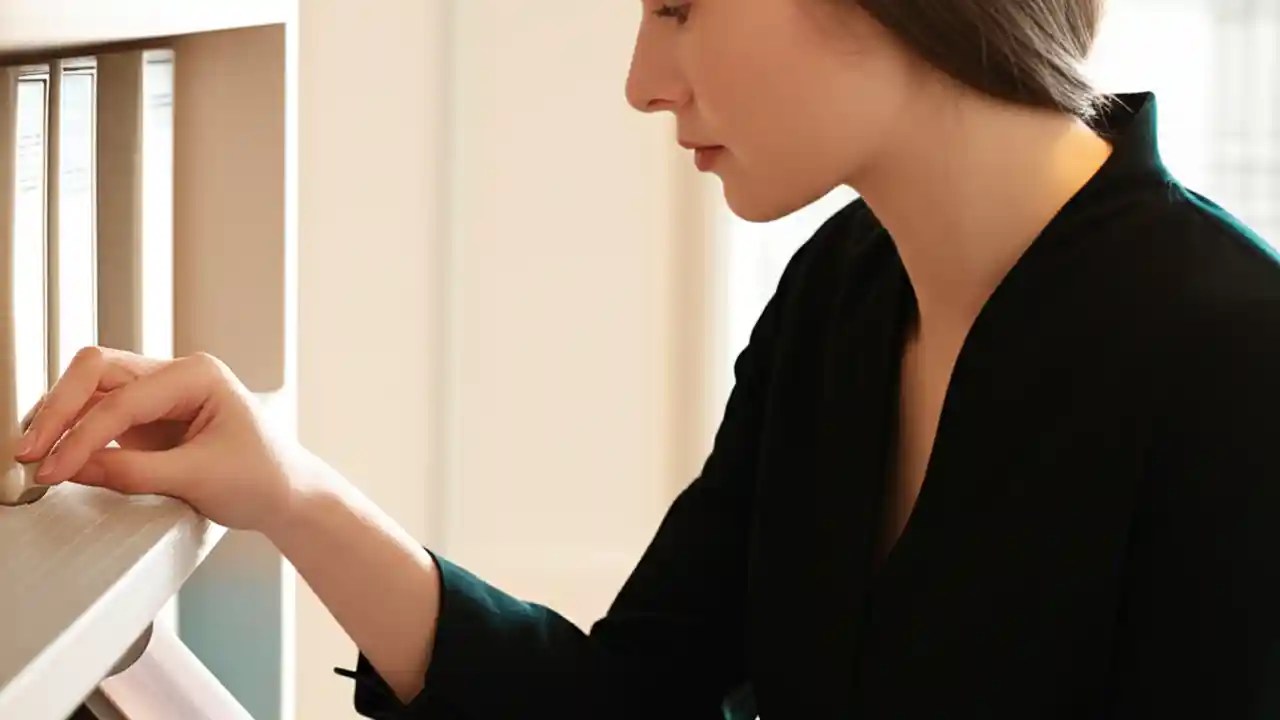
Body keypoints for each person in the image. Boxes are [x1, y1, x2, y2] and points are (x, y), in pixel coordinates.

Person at [16, 0, 1280, 716]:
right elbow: (636, 709)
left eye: (679, 2)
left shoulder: (1233, 358)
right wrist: (290, 494)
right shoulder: (838, 299)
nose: (641, 77)